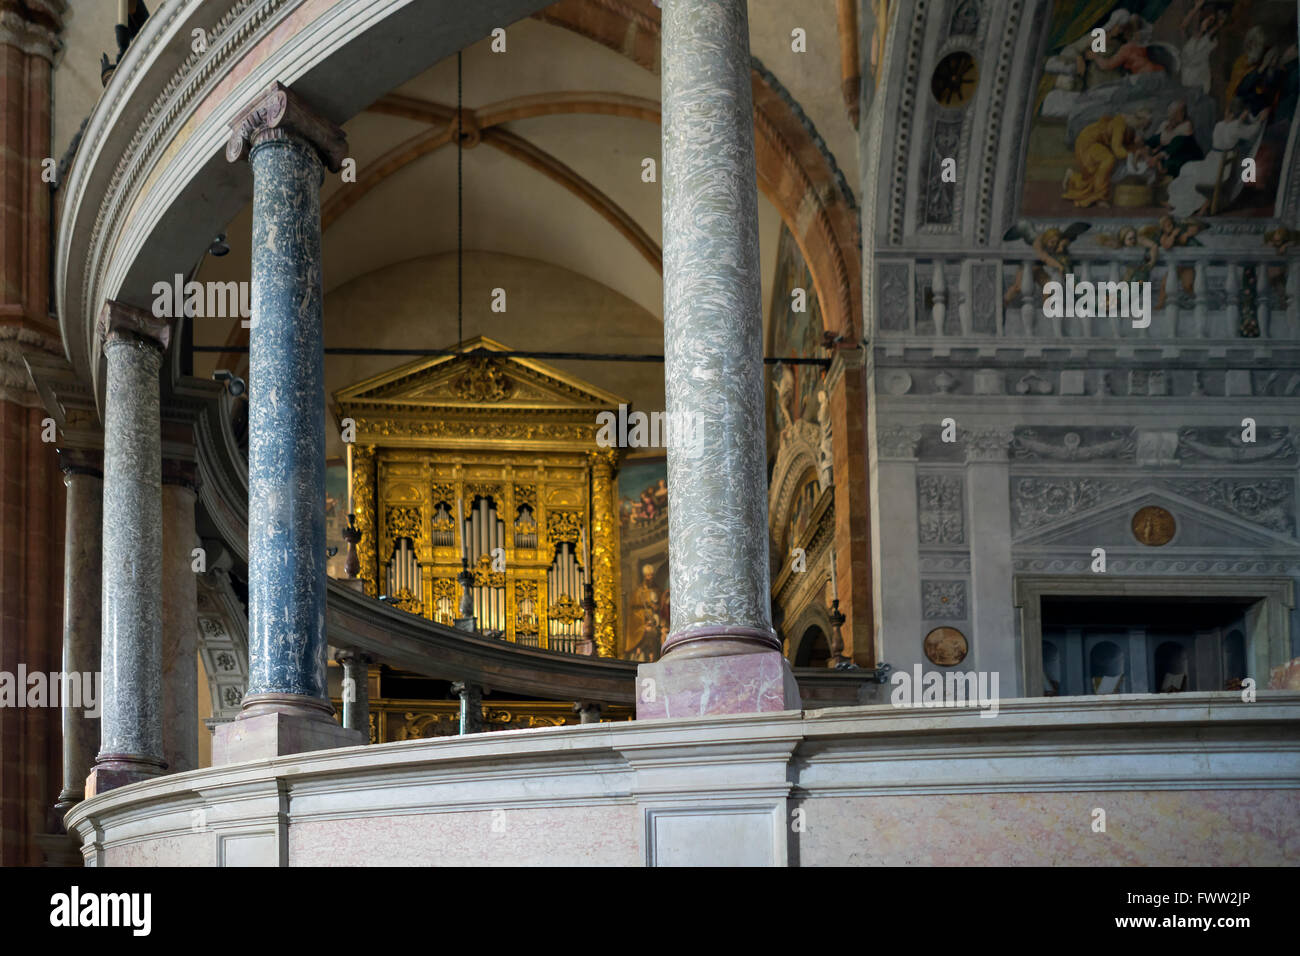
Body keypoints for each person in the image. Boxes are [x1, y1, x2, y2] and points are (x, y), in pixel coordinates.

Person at [1062, 110, 1151, 207]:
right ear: (1137, 119)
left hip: (1096, 143)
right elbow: (1118, 150)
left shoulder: (1130, 128)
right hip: (1088, 142)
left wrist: (1140, 153)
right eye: (1142, 126)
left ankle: (1072, 177)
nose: (1142, 130)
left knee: (1094, 176)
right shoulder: (1120, 124)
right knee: (1108, 160)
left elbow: (1129, 145)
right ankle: (1100, 198)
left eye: (1145, 128)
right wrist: (1133, 155)